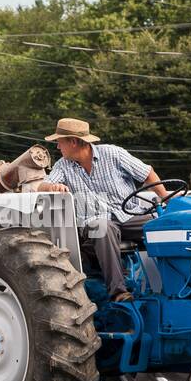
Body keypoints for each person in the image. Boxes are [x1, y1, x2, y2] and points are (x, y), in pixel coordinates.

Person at [37, 117, 164, 302]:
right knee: (102, 227)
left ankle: (181, 285)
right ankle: (119, 292)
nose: (57, 147)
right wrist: (53, 187)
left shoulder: (113, 154)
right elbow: (42, 186)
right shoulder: (63, 165)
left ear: (73, 142)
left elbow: (147, 173)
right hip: (95, 223)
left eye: (59, 142)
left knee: (165, 226)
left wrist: (167, 198)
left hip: (128, 216)